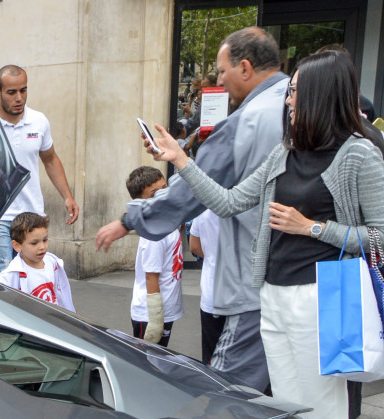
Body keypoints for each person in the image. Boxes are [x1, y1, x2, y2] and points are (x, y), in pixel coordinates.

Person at [147, 50, 384, 419]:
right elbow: (227, 201)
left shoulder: (357, 154)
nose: (289, 100)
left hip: (324, 298)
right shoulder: (285, 153)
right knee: (297, 414)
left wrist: (314, 228)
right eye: (289, 92)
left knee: (325, 417)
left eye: (299, 92)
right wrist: (181, 161)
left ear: (325, 94)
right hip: (274, 296)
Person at [96, 28, 288, 393]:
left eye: (221, 71)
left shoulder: (246, 122)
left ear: (244, 67)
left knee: (229, 395)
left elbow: (199, 196)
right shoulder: (307, 104)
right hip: (305, 284)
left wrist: (130, 219)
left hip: (257, 284)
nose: (218, 81)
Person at [0, 65, 80, 278]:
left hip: (32, 215)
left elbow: (50, 159)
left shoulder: (38, 121)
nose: (19, 98)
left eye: (23, 90)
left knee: (33, 276)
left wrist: (67, 196)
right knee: (4, 278)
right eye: (11, 92)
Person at [124, 166, 183, 344]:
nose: (163, 196)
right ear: (141, 202)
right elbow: (151, 277)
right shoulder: (154, 235)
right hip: (150, 315)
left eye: (165, 188)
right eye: (154, 194)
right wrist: (156, 320)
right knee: (147, 364)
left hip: (166, 310)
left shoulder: (168, 221)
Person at [0, 211, 75, 310]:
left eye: (45, 240)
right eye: (34, 243)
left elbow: (60, 293)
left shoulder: (52, 262)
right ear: (17, 246)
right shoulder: (10, 276)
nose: (42, 247)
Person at [190, 209, 224, 364]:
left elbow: (194, 246)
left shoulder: (202, 209)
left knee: (211, 357)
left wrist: (212, 257)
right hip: (242, 296)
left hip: (211, 293)